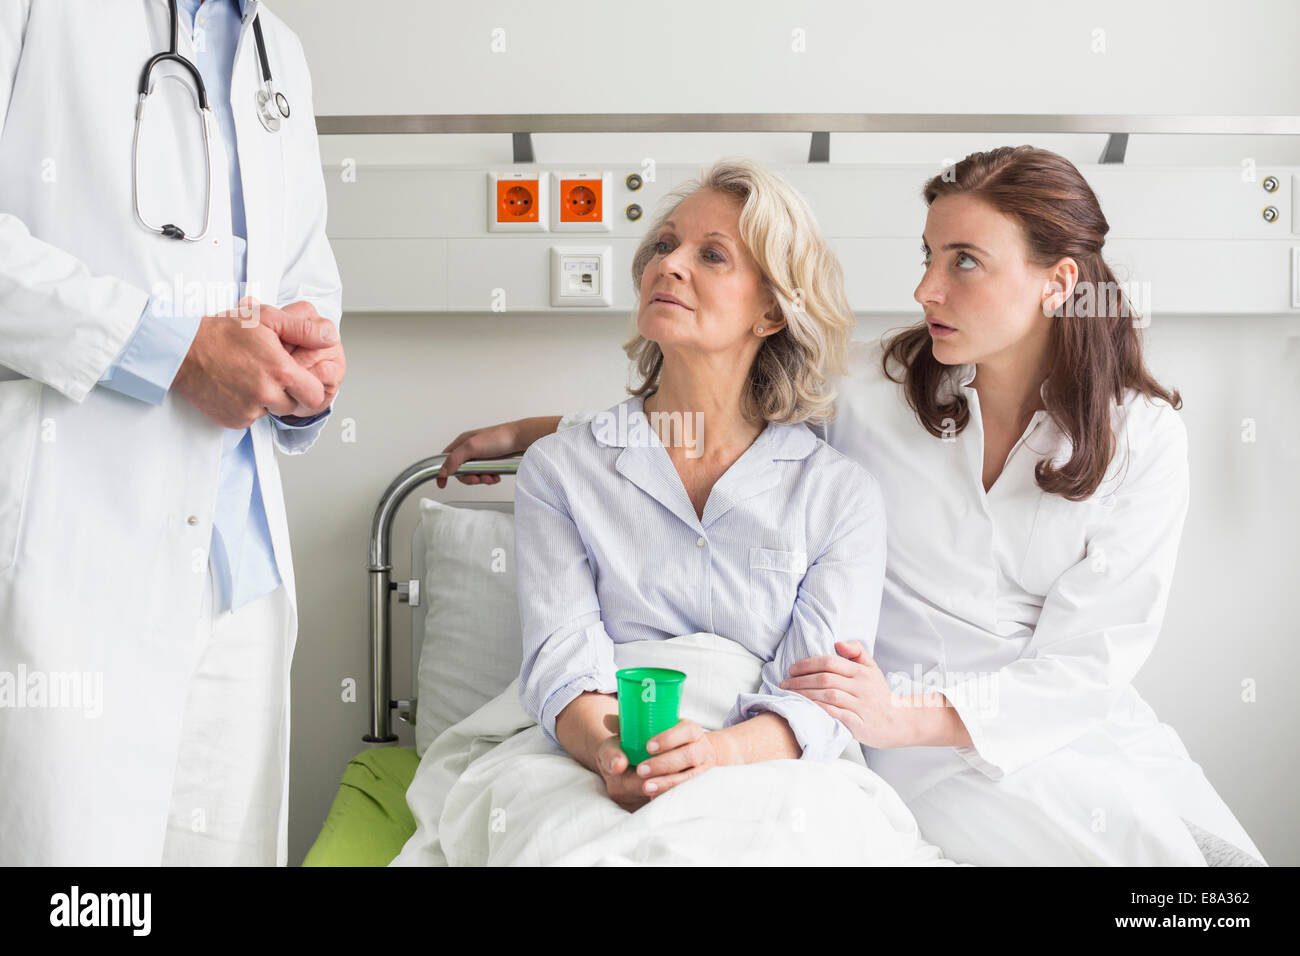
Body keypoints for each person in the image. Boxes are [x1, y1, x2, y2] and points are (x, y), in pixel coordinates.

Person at [438, 147, 1265, 866]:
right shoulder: (880, 389)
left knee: (1212, 853)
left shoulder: (1143, 437)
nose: (924, 287)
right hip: (893, 733)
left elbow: (1088, 665)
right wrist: (535, 432)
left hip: (1046, 720)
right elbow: (709, 407)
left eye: (964, 261)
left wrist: (912, 716)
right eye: (928, 255)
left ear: (1059, 283)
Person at [0, 0, 346, 865]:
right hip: (76, 549)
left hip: (241, 569)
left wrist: (306, 374)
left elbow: (306, 269)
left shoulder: (276, 52)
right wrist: (172, 350)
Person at [514, 158, 885, 809]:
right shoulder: (561, 470)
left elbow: (821, 693)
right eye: (664, 245)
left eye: (712, 256)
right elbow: (563, 663)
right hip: (594, 756)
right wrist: (616, 757)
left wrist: (715, 754)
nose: (670, 264)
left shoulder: (837, 496)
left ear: (771, 310)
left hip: (774, 766)